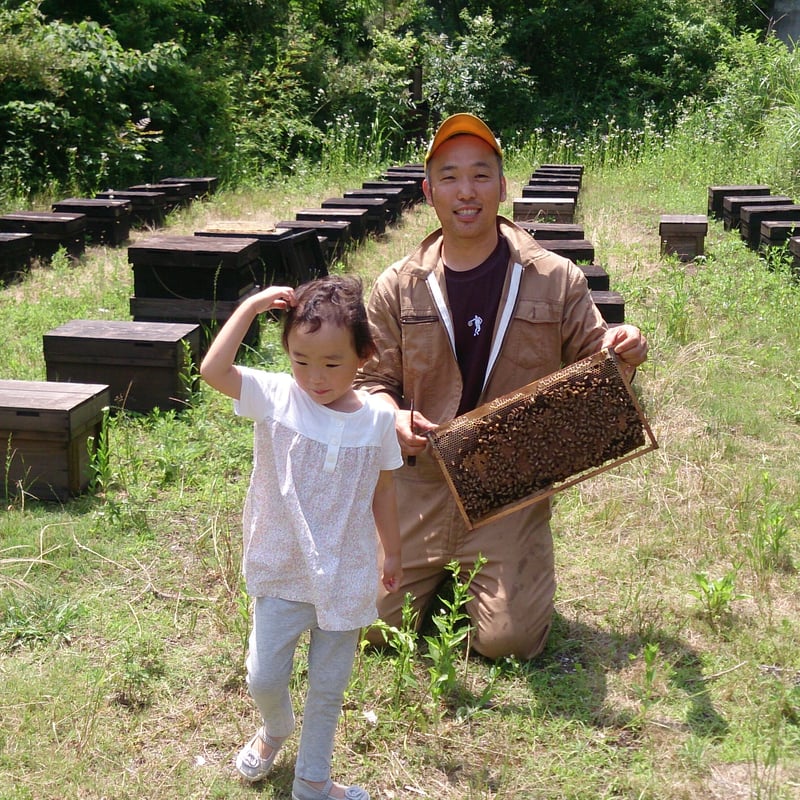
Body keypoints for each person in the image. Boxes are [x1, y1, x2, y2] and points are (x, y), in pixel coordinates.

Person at [354, 112, 648, 661]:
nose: (466, 191)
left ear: (503, 185)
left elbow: (597, 359)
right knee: (370, 629)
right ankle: (439, 574)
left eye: (481, 175)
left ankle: (499, 573)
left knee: (510, 645)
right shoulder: (397, 285)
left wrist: (624, 347)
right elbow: (372, 381)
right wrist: (390, 414)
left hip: (510, 486)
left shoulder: (556, 277)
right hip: (421, 482)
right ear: (429, 190)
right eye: (450, 176)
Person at [200, 276, 403, 800]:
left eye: (333, 364)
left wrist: (394, 551)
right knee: (264, 676)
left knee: (329, 688)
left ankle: (313, 779)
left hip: (347, 572)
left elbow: (383, 490)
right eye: (300, 360)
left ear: (365, 355)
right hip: (281, 567)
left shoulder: (379, 419)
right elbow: (213, 370)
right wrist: (250, 307)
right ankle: (274, 729)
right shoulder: (275, 396)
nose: (315, 377)